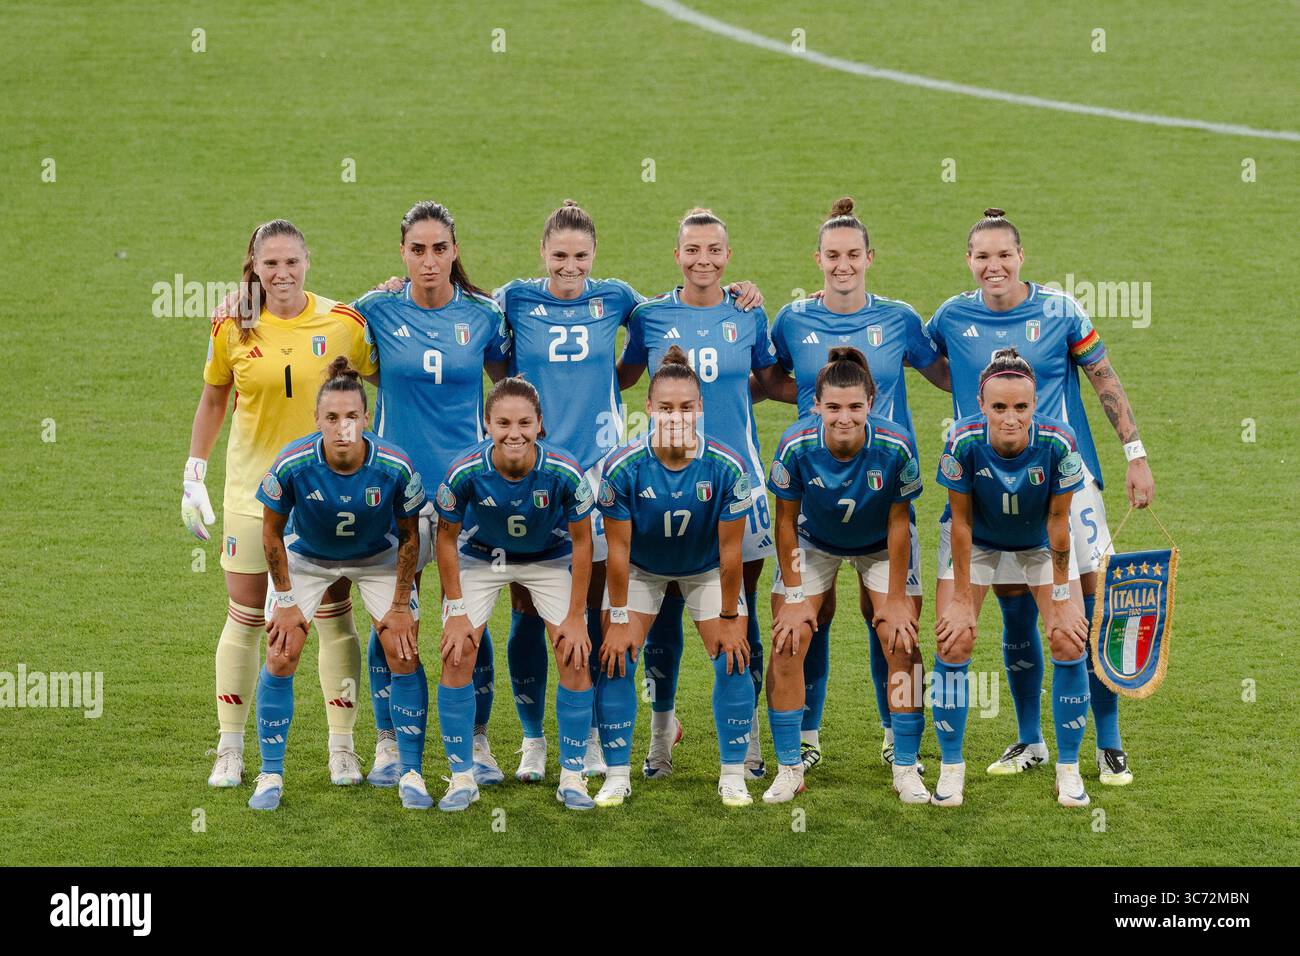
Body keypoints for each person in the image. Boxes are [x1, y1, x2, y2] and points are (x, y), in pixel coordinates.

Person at [493, 200, 762, 782]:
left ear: (594, 257)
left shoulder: (617, 300)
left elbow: (660, 340)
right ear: (543, 253)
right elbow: (484, 345)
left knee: (589, 603)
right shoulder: (513, 298)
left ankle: (592, 733)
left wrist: (742, 293)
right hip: (531, 466)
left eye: (580, 256)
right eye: (559, 255)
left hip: (594, 467)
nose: (569, 266)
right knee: (526, 605)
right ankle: (535, 740)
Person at [927, 208, 1155, 786]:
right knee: (1015, 613)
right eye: (983, 256)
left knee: (1085, 611)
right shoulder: (952, 316)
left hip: (1065, 490)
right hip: (986, 489)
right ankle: (1030, 739)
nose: (994, 265)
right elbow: (921, 361)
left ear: (1021, 256)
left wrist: (1135, 454)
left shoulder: (1061, 311)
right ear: (969, 261)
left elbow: (1105, 379)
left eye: (1004, 254)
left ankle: (1108, 743)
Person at [184, 219, 375, 790]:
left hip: (325, 495)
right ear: (255, 265)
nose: (282, 273)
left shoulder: (343, 325)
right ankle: (230, 746)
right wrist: (193, 471)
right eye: (271, 264)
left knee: (333, 617)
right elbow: (215, 397)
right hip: (251, 494)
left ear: (308, 261)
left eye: (291, 262)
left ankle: (342, 749)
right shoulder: (232, 325)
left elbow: (388, 373)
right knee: (246, 620)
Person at [766, 197, 950, 773]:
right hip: (814, 492)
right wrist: (817, 415)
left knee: (893, 630)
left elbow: (946, 373)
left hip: (885, 492)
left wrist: (1016, 383)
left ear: (869, 257)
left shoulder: (898, 319)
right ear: (817, 259)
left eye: (852, 255)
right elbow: (766, 376)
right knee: (804, 628)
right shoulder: (793, 320)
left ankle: (900, 744)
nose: (842, 264)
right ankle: (806, 739)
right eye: (832, 255)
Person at [617, 207, 793, 780]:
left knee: (738, 611)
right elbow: (618, 376)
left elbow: (767, 383)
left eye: (714, 250)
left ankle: (747, 740)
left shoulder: (748, 313)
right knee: (664, 609)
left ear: (728, 256)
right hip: (660, 487)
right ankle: (660, 733)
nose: (703, 260)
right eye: (693, 250)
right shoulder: (647, 316)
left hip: (738, 482)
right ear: (676, 255)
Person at [350, 200, 512, 788]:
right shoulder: (374, 311)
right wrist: (238, 302)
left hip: (468, 493)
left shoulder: (486, 317)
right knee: (392, 616)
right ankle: (389, 741)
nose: (428, 260)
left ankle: (477, 740)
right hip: (394, 494)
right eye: (417, 249)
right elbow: (329, 345)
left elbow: (509, 389)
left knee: (470, 617)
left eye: (439, 248)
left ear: (455, 251)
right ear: (402, 253)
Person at [249, 360, 426, 810]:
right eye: (332, 418)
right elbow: (271, 533)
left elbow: (410, 535)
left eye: (351, 417)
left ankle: (410, 773)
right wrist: (286, 601)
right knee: (281, 650)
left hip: (377, 558)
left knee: (403, 649)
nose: (343, 428)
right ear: (317, 420)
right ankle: (270, 774)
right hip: (307, 558)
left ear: (366, 419)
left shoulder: (395, 465)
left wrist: (401, 604)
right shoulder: (293, 463)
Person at [593, 347, 756, 808]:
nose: (676, 416)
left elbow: (729, 553)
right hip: (642, 569)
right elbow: (619, 552)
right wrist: (620, 616)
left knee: (732, 657)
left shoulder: (727, 467)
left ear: (701, 408)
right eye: (666, 408)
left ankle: (732, 775)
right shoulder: (623, 467)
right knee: (618, 656)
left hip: (705, 569)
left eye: (687, 407)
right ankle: (618, 775)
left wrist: (728, 616)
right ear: (648, 408)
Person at [931, 348, 1092, 808]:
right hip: (976, 541)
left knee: (1067, 637)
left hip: (1040, 542)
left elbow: (1060, 523)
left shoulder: (1060, 443)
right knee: (953, 639)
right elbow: (960, 522)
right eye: (999, 407)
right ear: (981, 405)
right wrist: (961, 597)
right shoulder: (962, 441)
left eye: (1020, 407)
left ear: (1034, 404)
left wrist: (1061, 594)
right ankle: (951, 770)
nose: (1009, 418)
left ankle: (1068, 771)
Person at [765, 348, 924, 804]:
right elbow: (784, 523)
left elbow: (899, 522)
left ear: (871, 402)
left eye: (855, 406)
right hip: (813, 542)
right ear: (816, 405)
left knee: (902, 639)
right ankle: (790, 766)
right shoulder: (795, 444)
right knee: (788, 638)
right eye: (833, 407)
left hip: (879, 544)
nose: (844, 417)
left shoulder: (896, 444)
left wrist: (895, 598)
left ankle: (907, 765)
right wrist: (794, 595)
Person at [431, 377, 597, 811]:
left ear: (540, 425)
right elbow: (445, 540)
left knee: (574, 651)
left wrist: (577, 616)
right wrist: (456, 611)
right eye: (503, 423)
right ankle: (461, 777)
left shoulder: (565, 470)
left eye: (525, 423)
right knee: (457, 650)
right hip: (483, 557)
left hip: (547, 556)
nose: (514, 433)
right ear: (487, 424)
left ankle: (573, 777)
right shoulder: (464, 470)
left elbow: (584, 542)